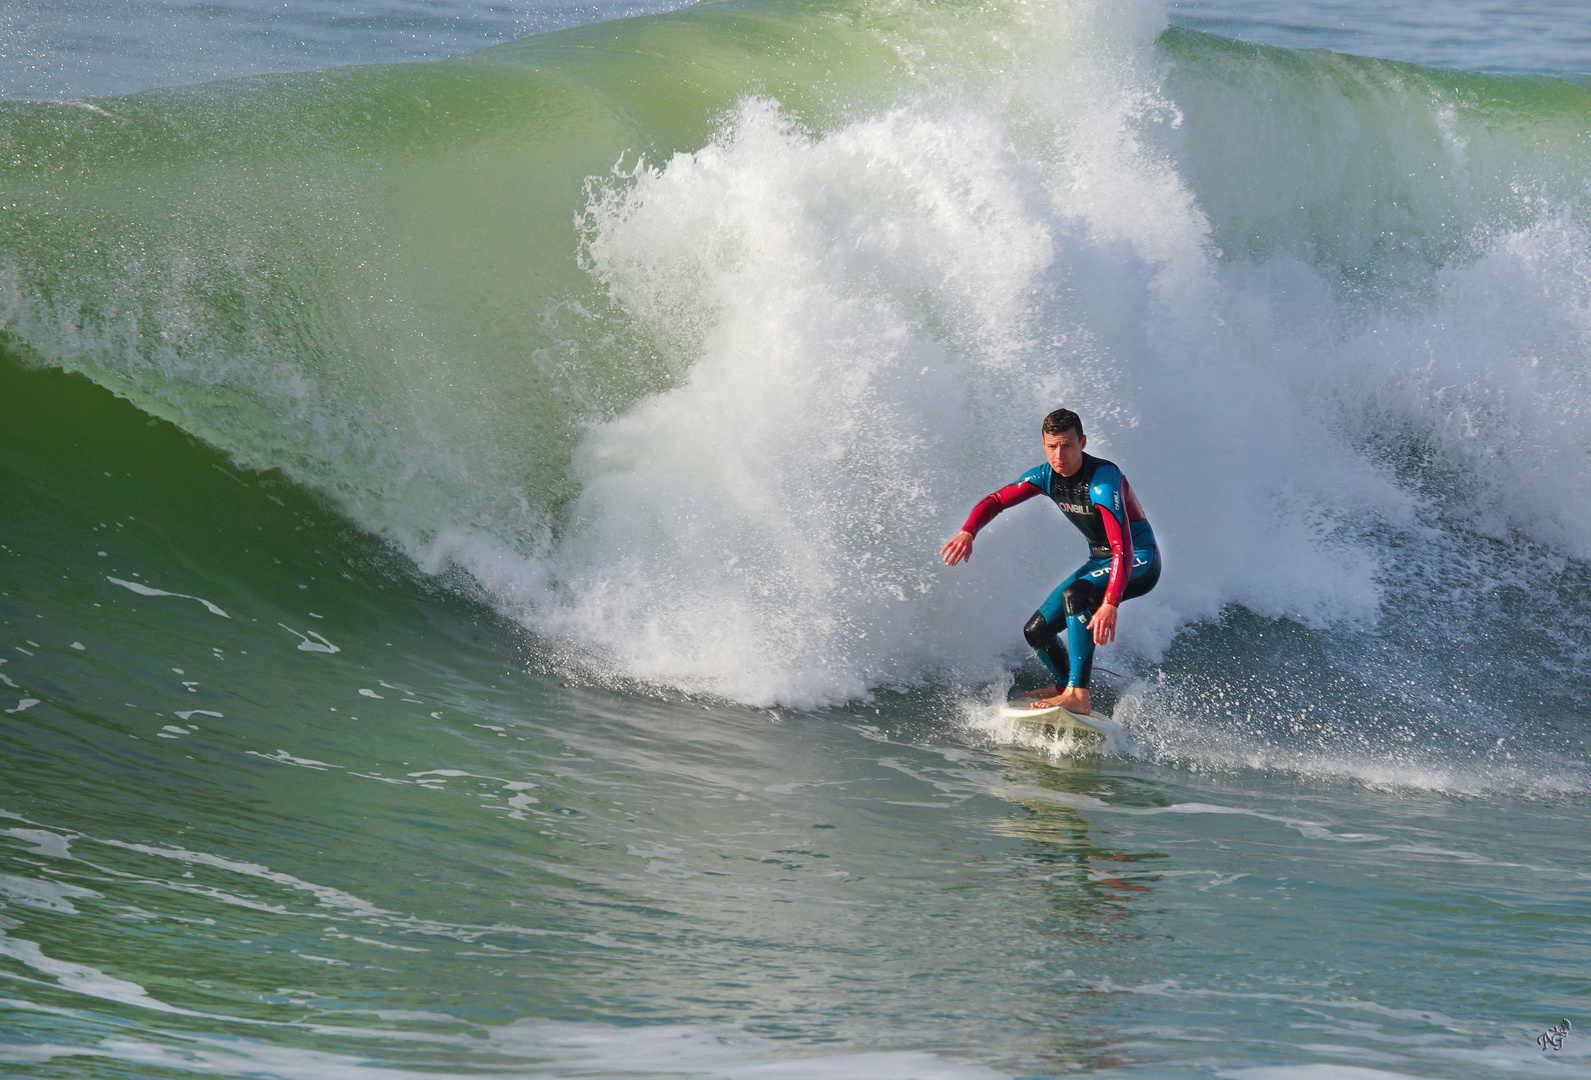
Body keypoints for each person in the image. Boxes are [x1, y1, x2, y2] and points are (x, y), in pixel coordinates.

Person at [940, 409, 1160, 716]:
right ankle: (1063, 686)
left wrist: (1111, 602)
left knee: (1075, 596)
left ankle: (1078, 695)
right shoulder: (1045, 476)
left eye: (1067, 445)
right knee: (1037, 631)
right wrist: (968, 531)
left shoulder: (1103, 481)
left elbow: (1122, 547)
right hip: (1100, 560)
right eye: (1053, 446)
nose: (1060, 455)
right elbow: (996, 501)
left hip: (1138, 559)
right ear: (1043, 444)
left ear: (1083, 443)